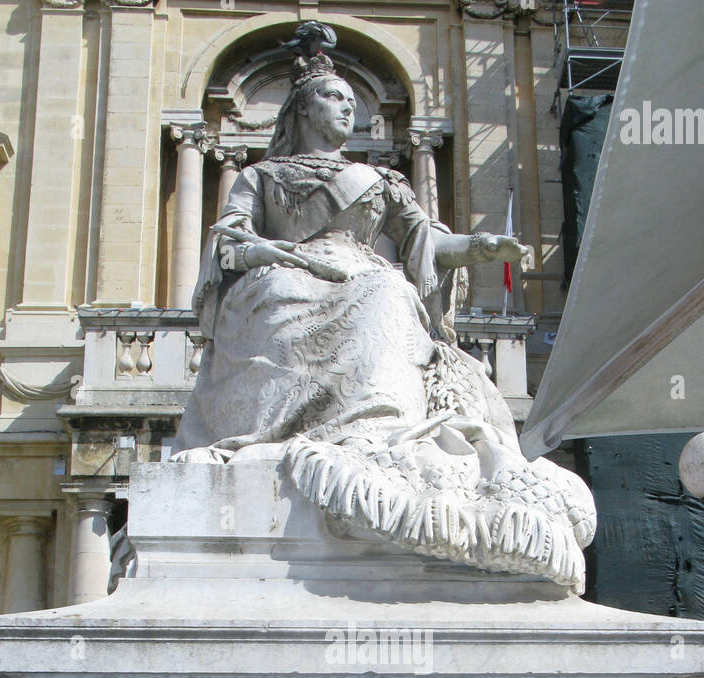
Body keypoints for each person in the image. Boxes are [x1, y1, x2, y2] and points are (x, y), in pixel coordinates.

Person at [173, 24, 596, 590]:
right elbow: (230, 239)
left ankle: (376, 429)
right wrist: (279, 254)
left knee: (390, 293)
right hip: (282, 279)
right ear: (301, 109)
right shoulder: (260, 175)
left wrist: (479, 247)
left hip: (365, 276)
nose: (346, 109)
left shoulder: (379, 180)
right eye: (333, 98)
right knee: (281, 292)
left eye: (352, 100)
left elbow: (423, 241)